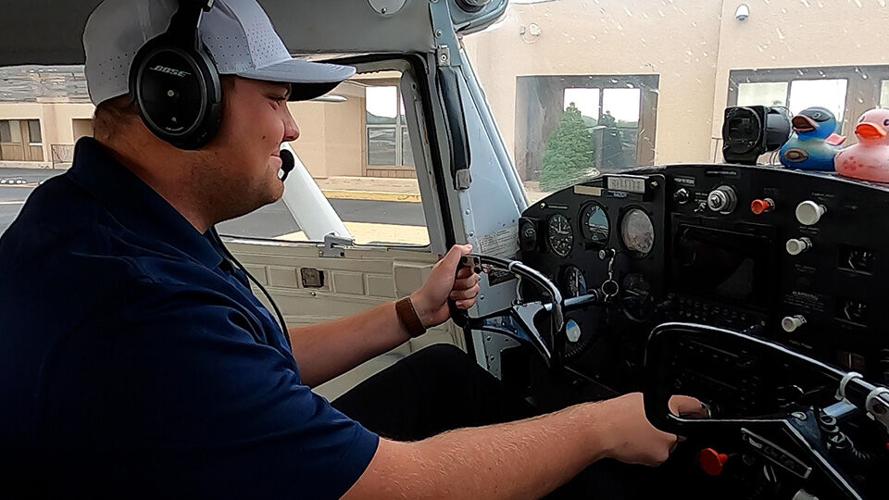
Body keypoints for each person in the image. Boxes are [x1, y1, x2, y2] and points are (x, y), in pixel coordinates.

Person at [0, 1, 701, 498]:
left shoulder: (98, 221)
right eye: (275, 98)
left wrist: (408, 312)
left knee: (436, 375)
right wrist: (597, 428)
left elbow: (247, 367)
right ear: (181, 101)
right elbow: (403, 489)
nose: (292, 129)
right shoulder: (134, 305)